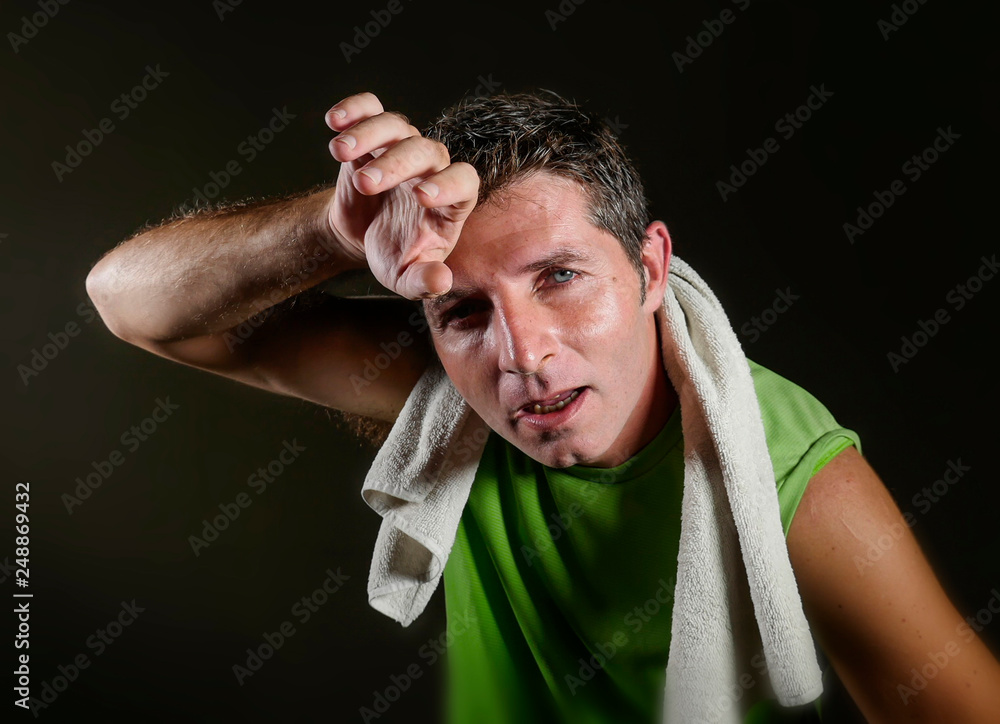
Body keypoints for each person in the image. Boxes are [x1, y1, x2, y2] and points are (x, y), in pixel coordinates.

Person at [86, 90, 1000, 723]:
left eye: (560, 277)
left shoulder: (790, 472)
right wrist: (332, 231)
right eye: (465, 309)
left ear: (648, 268)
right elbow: (132, 303)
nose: (521, 354)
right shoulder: (445, 392)